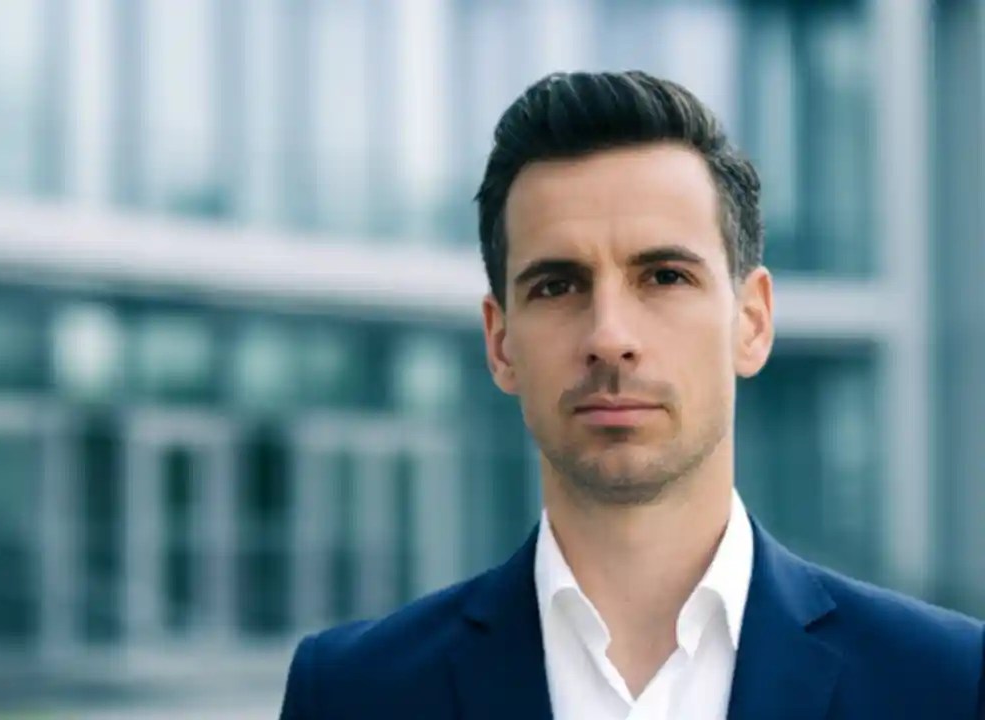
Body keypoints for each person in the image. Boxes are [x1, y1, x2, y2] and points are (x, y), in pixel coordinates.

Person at [277, 70, 985, 720]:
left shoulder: (947, 685)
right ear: (500, 343)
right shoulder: (353, 693)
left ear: (753, 321)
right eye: (557, 286)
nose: (609, 336)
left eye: (664, 277)